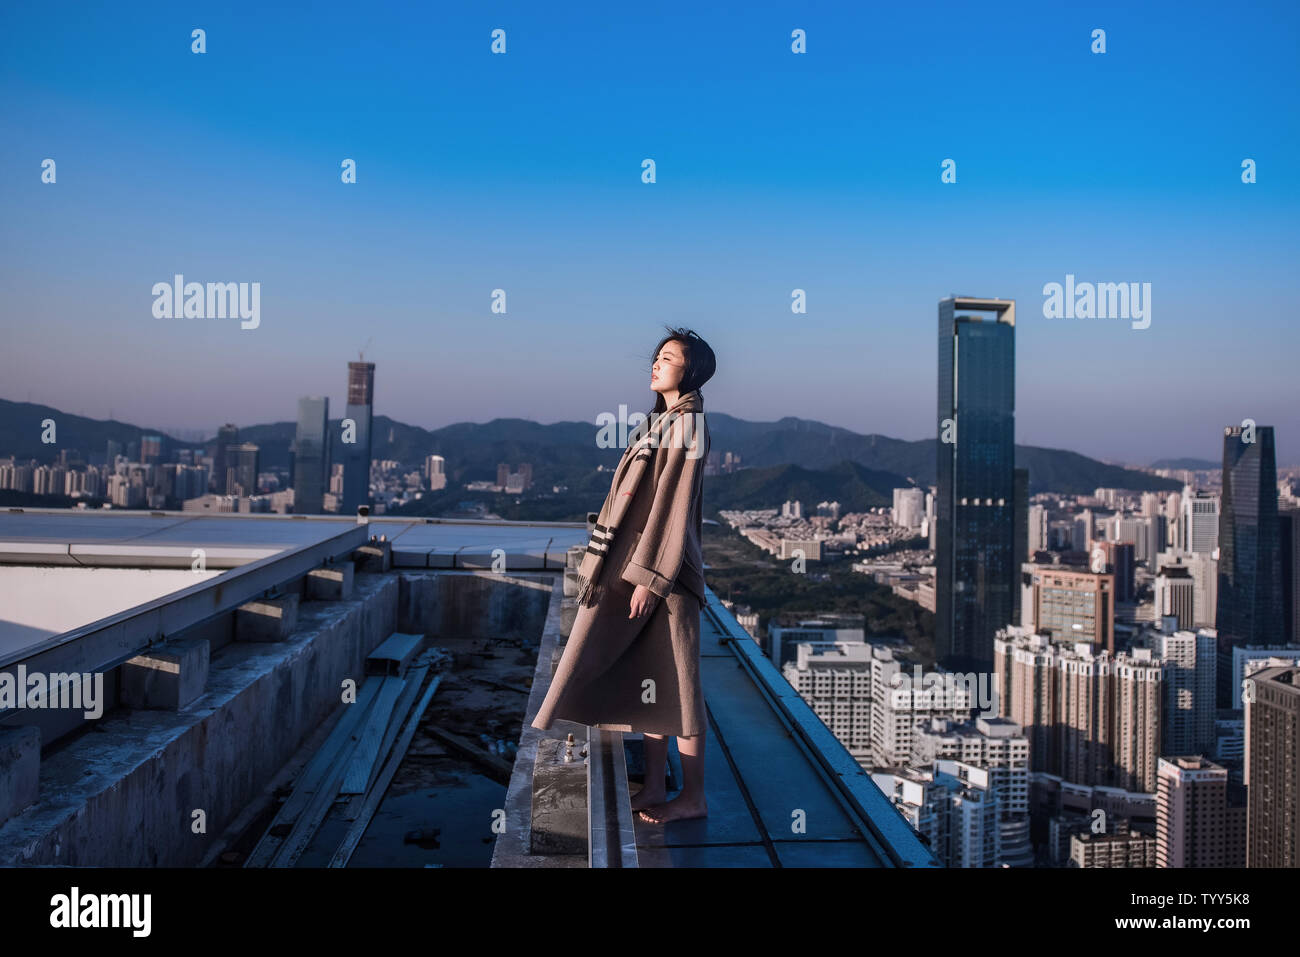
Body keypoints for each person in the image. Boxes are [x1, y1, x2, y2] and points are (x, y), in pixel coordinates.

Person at [530, 327, 716, 824]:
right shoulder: (666, 421)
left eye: (669, 358)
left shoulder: (687, 426)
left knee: (680, 688)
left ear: (692, 370)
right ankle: (656, 784)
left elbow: (671, 509)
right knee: (652, 678)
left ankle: (693, 798)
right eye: (656, 357)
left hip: (665, 575)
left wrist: (650, 579)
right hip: (640, 570)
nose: (656, 364)